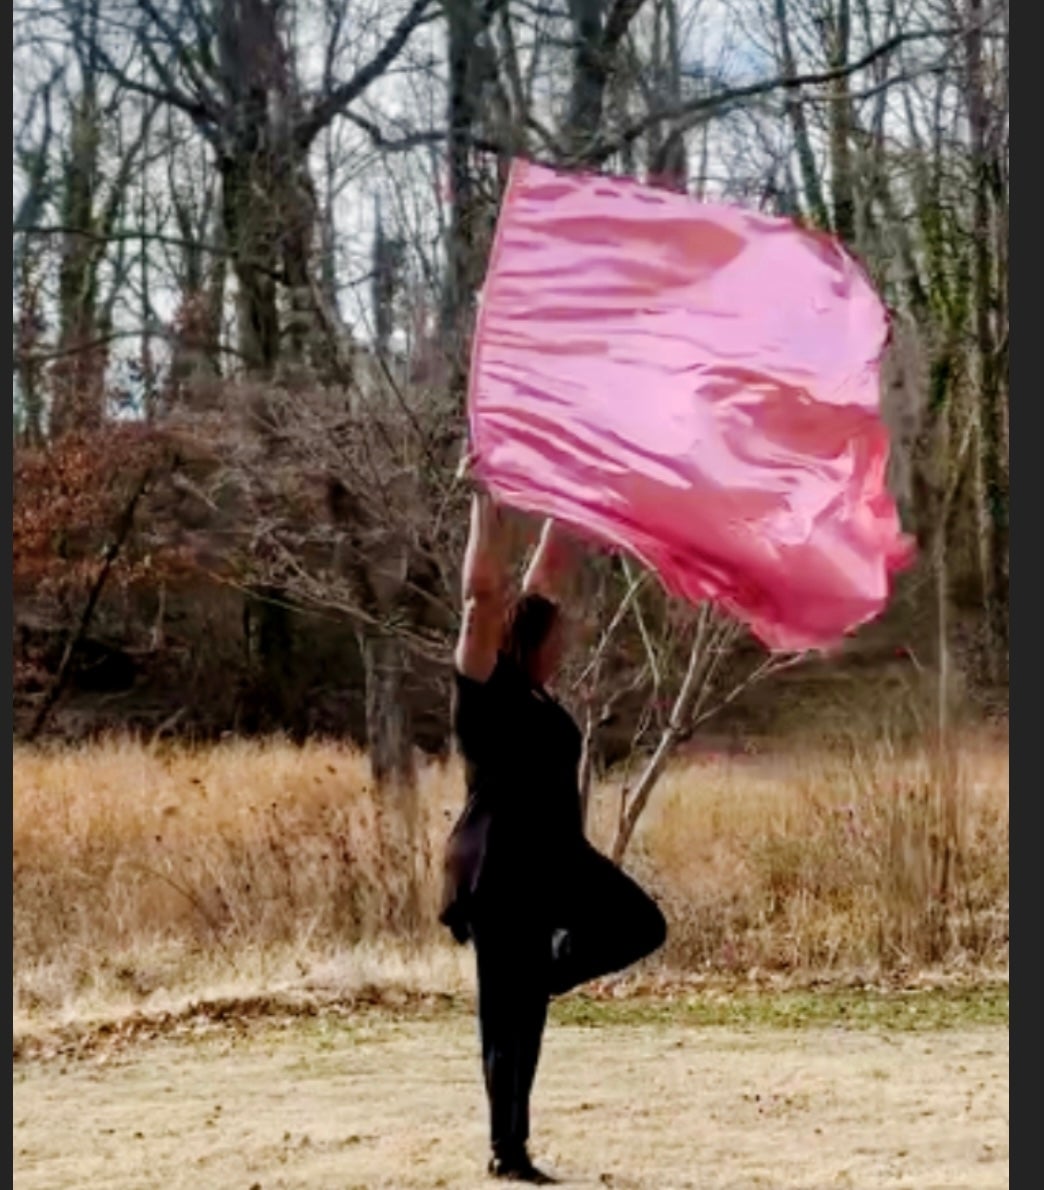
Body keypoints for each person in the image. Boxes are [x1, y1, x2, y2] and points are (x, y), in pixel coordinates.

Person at [440, 484, 668, 1184]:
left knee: (639, 924)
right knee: (513, 1025)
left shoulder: (536, 693)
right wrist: (485, 495)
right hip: (503, 868)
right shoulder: (485, 689)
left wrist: (575, 488)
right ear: (527, 641)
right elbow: (481, 597)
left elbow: (547, 570)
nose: (564, 649)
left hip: (557, 860)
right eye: (557, 640)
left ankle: (540, 974)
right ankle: (508, 1152)